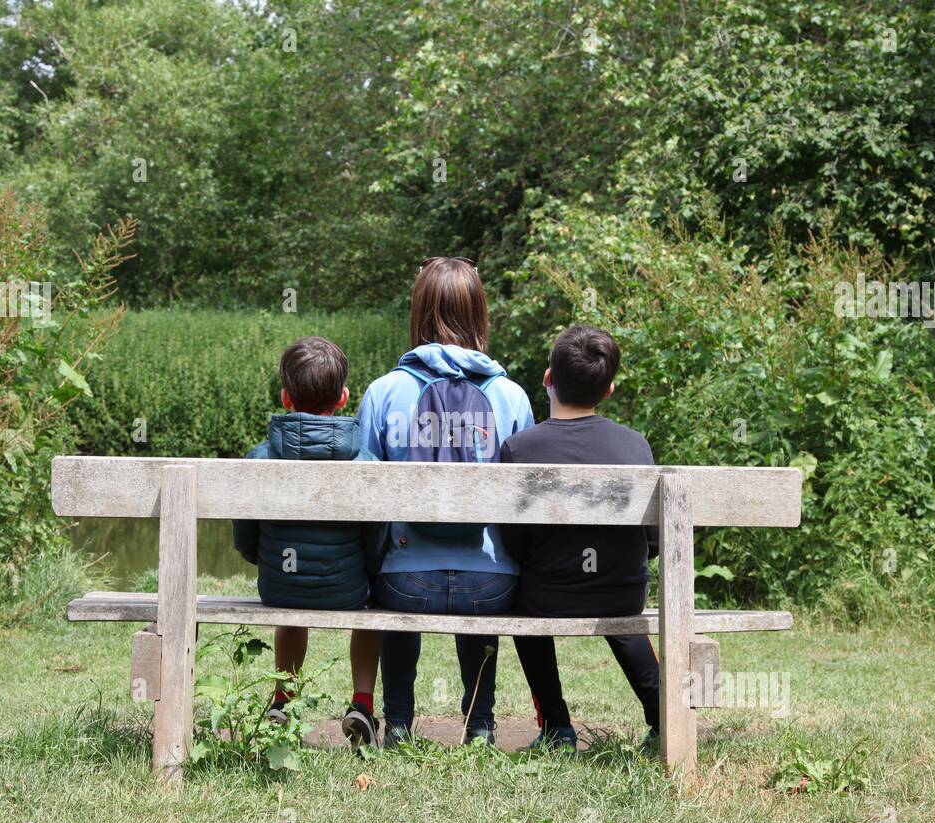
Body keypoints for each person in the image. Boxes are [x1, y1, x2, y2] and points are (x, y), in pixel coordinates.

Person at [356, 257, 534, 747]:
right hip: (491, 586)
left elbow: (362, 502)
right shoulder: (511, 396)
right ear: (479, 313)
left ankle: (396, 726)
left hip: (404, 584)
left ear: (417, 311)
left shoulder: (383, 392)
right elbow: (526, 501)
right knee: (480, 578)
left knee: (393, 574)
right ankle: (479, 728)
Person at [499, 325, 662, 750]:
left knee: (524, 614)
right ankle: (664, 716)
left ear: (548, 378)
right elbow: (653, 540)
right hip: (622, 592)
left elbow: (512, 542)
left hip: (546, 595)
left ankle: (556, 726)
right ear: (608, 389)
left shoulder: (519, 448)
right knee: (624, 619)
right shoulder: (635, 446)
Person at [232, 336, 388, 749]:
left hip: (279, 586)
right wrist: (363, 569)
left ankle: (284, 697)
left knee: (291, 605)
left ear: (285, 397)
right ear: (343, 397)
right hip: (348, 589)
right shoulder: (366, 465)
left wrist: (269, 561)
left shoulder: (260, 459)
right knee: (372, 602)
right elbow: (376, 543)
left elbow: (245, 540)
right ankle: (362, 703)